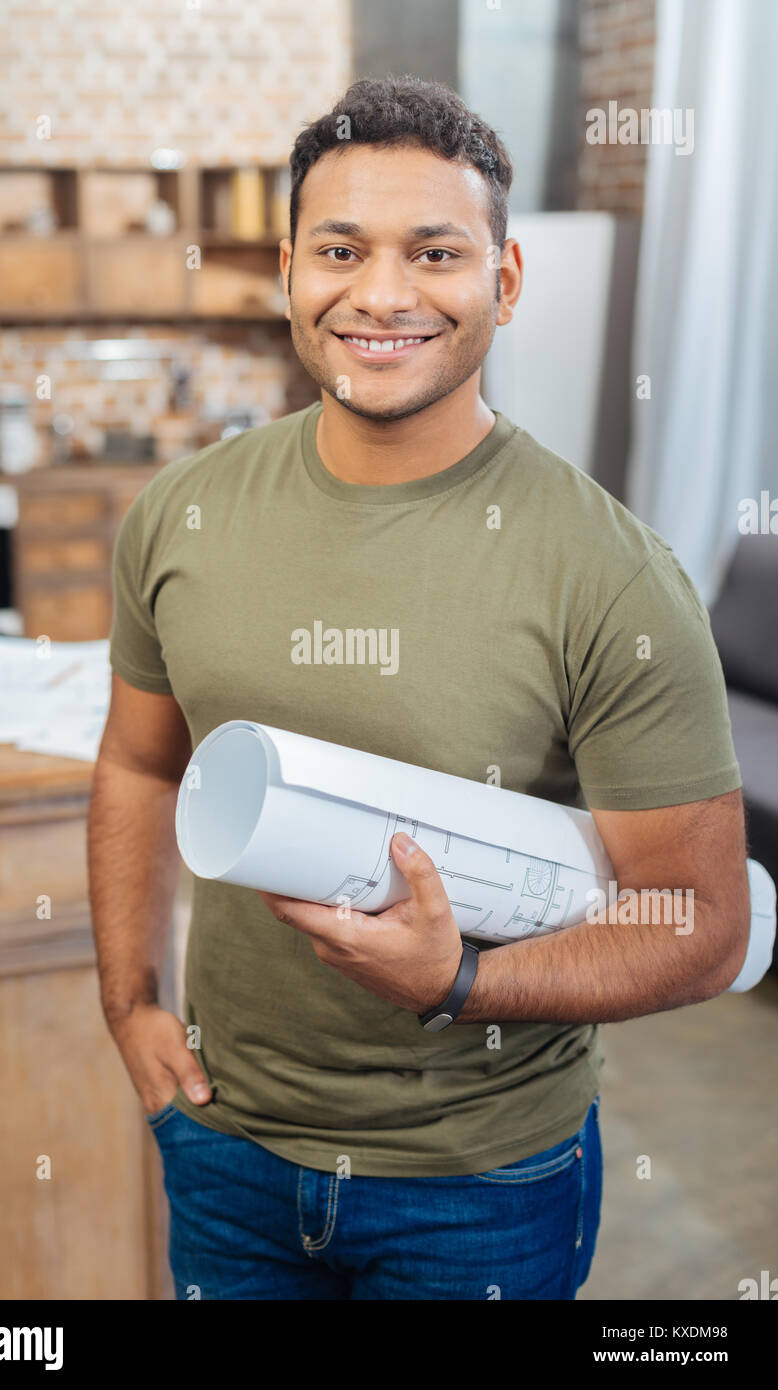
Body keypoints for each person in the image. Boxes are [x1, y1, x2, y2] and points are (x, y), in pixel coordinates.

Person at [88, 75, 749, 1301]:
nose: (379, 294)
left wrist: (463, 985)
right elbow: (138, 762)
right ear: (288, 267)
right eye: (339, 249)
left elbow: (699, 923)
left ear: (499, 282)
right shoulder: (180, 514)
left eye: (432, 253)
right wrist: (128, 1004)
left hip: (477, 1186)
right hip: (224, 1139)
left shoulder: (608, 573)